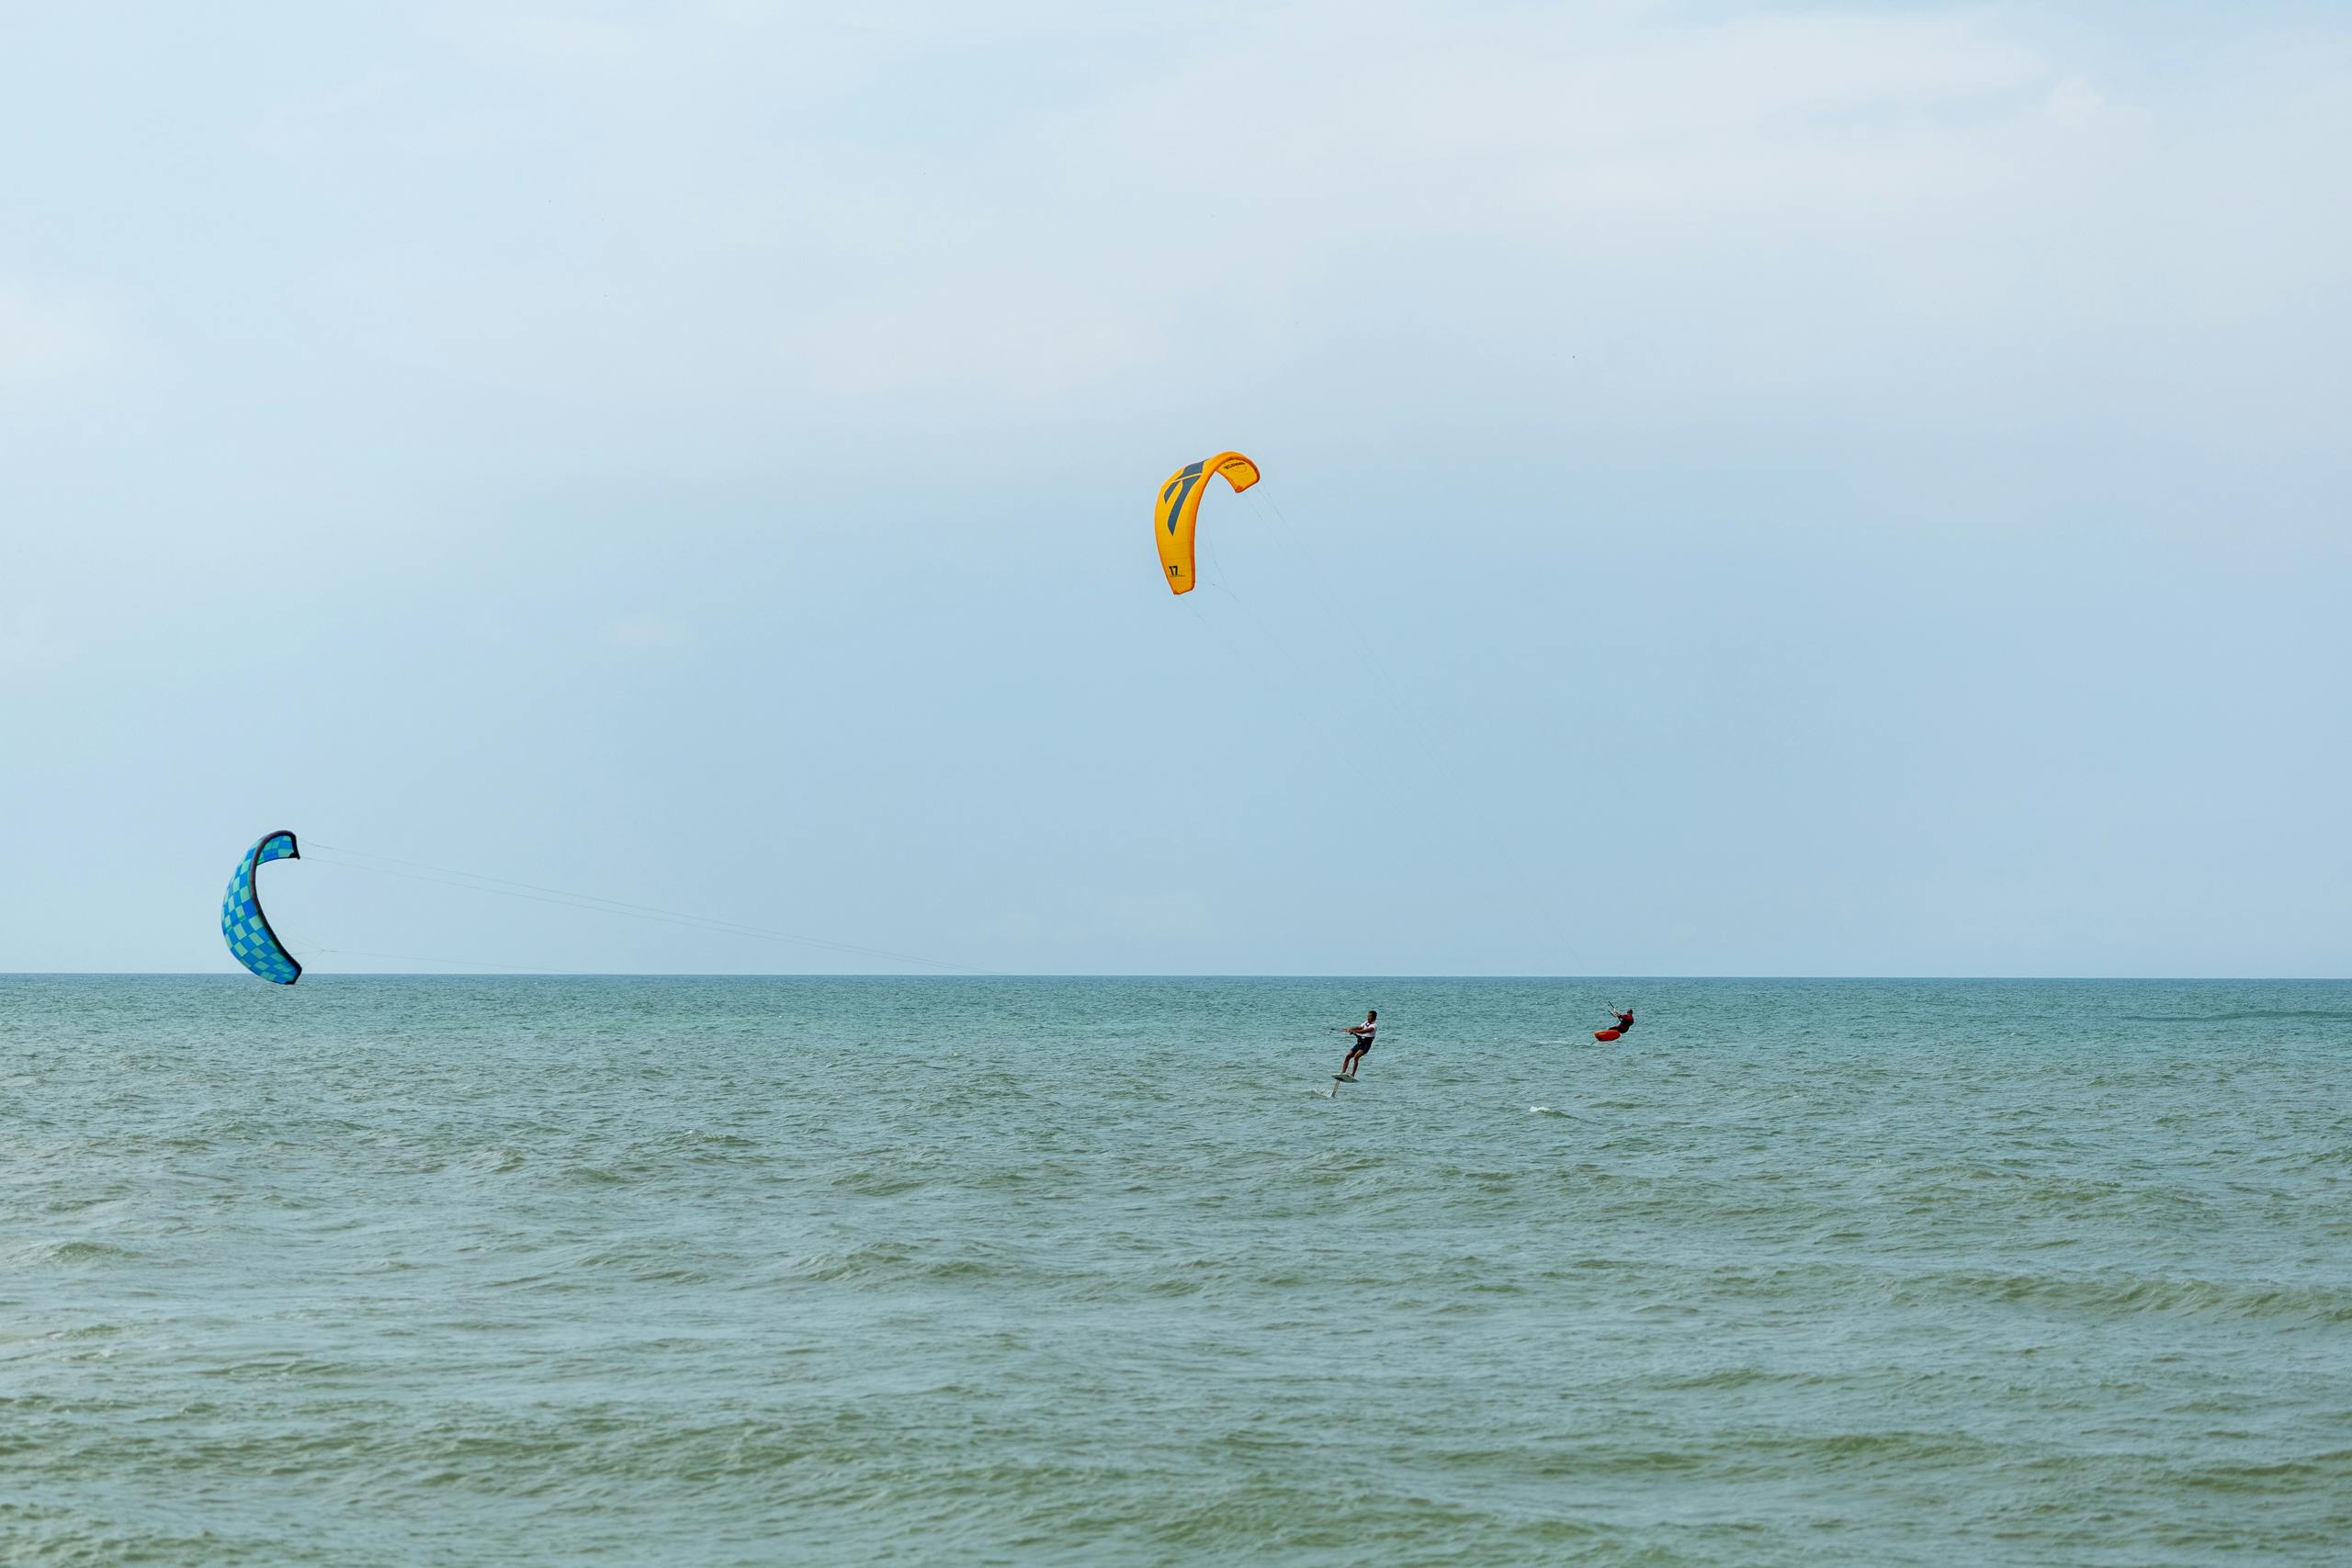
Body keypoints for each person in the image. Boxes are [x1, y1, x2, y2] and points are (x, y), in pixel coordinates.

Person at [1338, 1010, 1377, 1079]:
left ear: (1374, 1018)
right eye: (1368, 1016)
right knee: (1348, 1056)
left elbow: (1364, 1031)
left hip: (1366, 1045)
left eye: (1370, 1016)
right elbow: (1359, 1028)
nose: (1368, 1018)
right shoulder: (1366, 1023)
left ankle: (1353, 1074)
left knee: (1356, 1057)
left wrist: (1354, 1031)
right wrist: (1349, 1029)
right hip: (1359, 1043)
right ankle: (1342, 1073)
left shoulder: (1374, 1026)